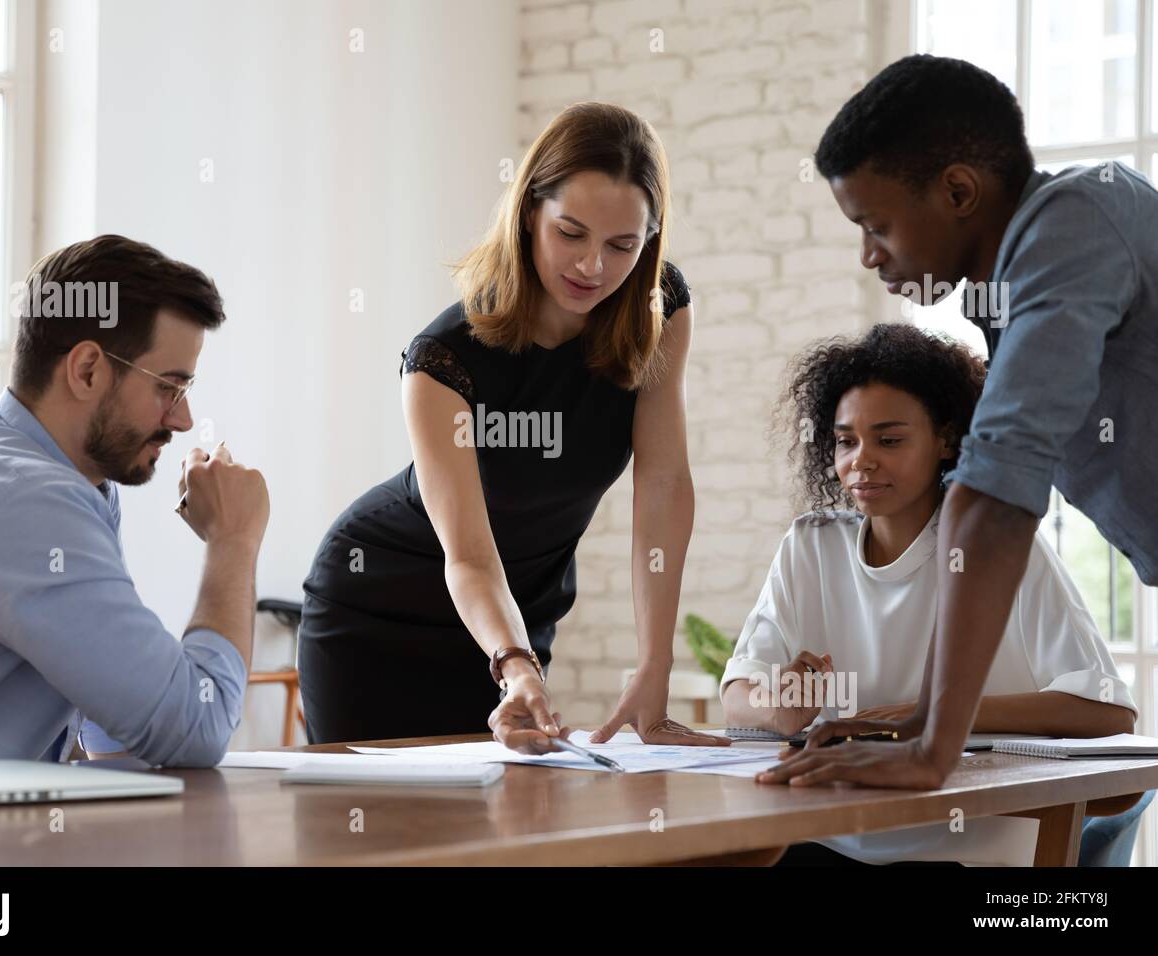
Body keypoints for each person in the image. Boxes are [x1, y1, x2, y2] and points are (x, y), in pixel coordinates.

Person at [760, 54, 1158, 790]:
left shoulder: (1076, 222)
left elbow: (995, 492)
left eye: (876, 224)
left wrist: (931, 750)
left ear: (957, 191)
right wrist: (922, 717)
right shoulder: (1000, 295)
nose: (868, 255)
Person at [297, 102, 727, 754]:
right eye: (571, 233)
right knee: (375, 840)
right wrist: (514, 663)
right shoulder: (444, 358)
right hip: (381, 611)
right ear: (530, 213)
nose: (592, 267)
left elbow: (664, 485)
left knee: (504, 836)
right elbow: (468, 555)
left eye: (622, 245)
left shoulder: (659, 311)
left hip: (518, 616)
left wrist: (654, 668)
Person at [723, 323, 1137, 864]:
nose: (860, 461)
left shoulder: (1000, 548)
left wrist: (929, 714)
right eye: (846, 441)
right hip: (830, 834)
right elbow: (736, 692)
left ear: (944, 439)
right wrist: (779, 707)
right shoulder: (811, 544)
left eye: (889, 440)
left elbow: (1105, 712)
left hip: (966, 846)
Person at [0, 235, 269, 767]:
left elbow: (113, 732)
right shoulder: (25, 500)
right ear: (87, 371)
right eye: (169, 387)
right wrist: (233, 540)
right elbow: (196, 730)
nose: (183, 419)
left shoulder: (11, 461)